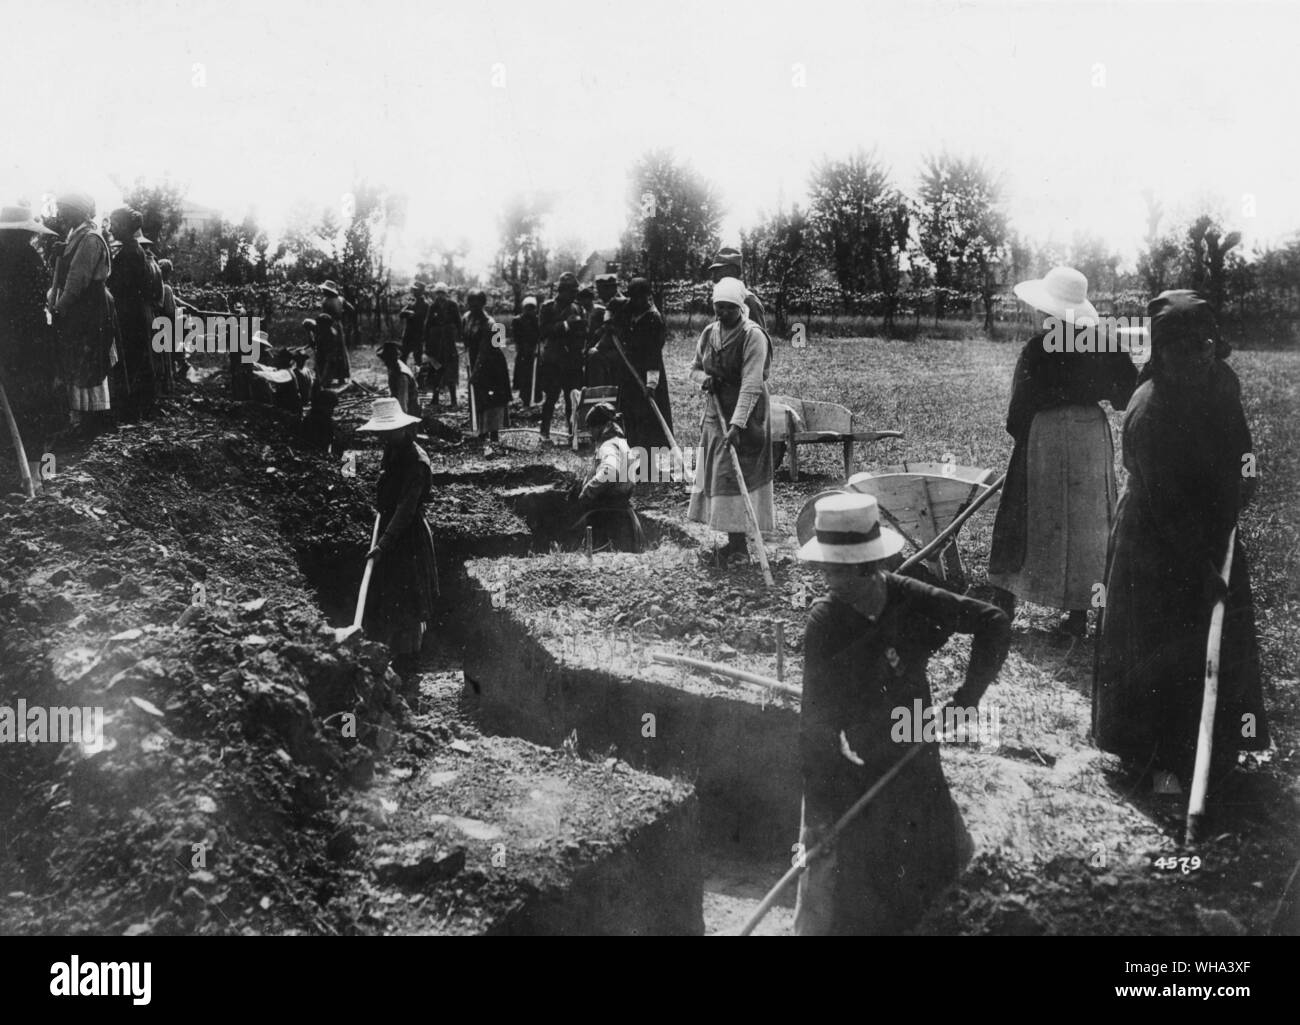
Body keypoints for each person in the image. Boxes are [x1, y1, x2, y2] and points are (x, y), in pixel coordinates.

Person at [795, 492, 1010, 935]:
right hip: (857, 768)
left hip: (916, 756)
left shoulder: (908, 596)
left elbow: (992, 622)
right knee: (834, 891)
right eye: (826, 567)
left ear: (866, 565)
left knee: (940, 875)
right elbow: (815, 727)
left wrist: (966, 700)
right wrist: (819, 812)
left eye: (837, 569)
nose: (828, 579)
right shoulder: (825, 626)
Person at [1093, 290, 1269, 798]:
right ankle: (1155, 755)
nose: (1197, 355)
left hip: (1213, 526)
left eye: (1205, 344)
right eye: (1184, 348)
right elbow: (1167, 506)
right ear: (1162, 352)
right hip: (1155, 543)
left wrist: (1244, 481)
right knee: (1161, 641)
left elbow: (1243, 450)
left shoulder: (1221, 384)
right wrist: (1203, 569)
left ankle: (1221, 746)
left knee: (1219, 636)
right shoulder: (1150, 412)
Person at [986, 267, 1136, 635]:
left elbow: (1019, 407)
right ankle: (1080, 615)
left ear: (1049, 310)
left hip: (1047, 433)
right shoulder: (1104, 344)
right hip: (1090, 436)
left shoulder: (1038, 348)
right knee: (1088, 522)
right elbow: (1127, 394)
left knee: (1031, 510)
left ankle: (1006, 599)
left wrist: (1025, 437)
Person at [687, 277, 776, 566]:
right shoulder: (709, 333)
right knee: (721, 473)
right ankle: (732, 542)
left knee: (739, 473)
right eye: (717, 307)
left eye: (728, 308)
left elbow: (752, 383)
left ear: (740, 307)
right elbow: (694, 369)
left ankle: (741, 547)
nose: (721, 313)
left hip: (747, 413)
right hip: (716, 411)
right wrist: (705, 381)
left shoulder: (753, 336)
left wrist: (738, 425)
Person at [356, 397, 440, 697]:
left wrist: (384, 543)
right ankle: (394, 662)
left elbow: (407, 508)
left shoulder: (418, 462)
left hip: (409, 537)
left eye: (386, 432)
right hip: (391, 533)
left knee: (411, 603)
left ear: (403, 429)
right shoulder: (391, 449)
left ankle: (410, 670)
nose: (382, 437)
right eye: (380, 433)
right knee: (393, 599)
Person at [0, 205, 57, 491]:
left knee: (18, 407)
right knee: (37, 407)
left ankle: (28, 474)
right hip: (32, 343)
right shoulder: (33, 258)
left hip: (11, 344)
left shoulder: (11, 258)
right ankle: (40, 473)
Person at [49, 194, 117, 431]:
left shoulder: (90, 239)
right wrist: (63, 250)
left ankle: (92, 419)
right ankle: (82, 418)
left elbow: (77, 280)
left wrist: (59, 308)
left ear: (78, 212)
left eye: (64, 210)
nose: (60, 215)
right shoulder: (78, 236)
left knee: (88, 358)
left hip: (88, 308)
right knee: (79, 358)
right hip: (82, 306)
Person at [603, 277, 672, 457]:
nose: (636, 301)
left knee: (648, 419)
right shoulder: (628, 306)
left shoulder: (654, 319)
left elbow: (653, 354)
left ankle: (649, 464)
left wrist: (651, 384)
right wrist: (608, 321)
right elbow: (611, 306)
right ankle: (633, 457)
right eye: (633, 297)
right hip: (628, 372)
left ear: (647, 297)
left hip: (647, 373)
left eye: (640, 298)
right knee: (629, 415)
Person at [572, 402, 644, 552]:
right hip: (625, 513)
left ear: (599, 427)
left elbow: (610, 471)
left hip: (609, 515)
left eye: (591, 428)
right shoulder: (622, 443)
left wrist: (588, 491)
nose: (591, 434)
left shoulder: (608, 447)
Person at [538, 271, 586, 442]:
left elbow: (582, 333)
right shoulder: (548, 307)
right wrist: (565, 325)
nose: (574, 294)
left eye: (575, 291)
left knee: (572, 398)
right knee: (551, 397)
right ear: (562, 290)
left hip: (572, 360)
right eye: (571, 291)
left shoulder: (578, 308)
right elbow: (543, 332)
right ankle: (544, 432)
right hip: (554, 360)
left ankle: (573, 432)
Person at [464, 290, 509, 443]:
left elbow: (491, 348)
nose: (473, 307)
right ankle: (481, 433)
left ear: (483, 305)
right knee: (479, 397)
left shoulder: (491, 323)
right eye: (471, 304)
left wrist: (475, 374)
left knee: (492, 400)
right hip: (476, 359)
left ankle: (494, 435)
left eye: (477, 305)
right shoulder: (467, 318)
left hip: (493, 365)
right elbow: (466, 342)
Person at [707, 247, 766, 330]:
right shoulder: (721, 300)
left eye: (718, 271)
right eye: (714, 272)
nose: (714, 277)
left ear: (733, 271)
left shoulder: (749, 301)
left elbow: (760, 337)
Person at [424, 282, 461, 408]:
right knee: (435, 370)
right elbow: (427, 325)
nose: (440, 296)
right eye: (438, 293)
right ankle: (435, 398)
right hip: (435, 342)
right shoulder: (432, 307)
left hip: (449, 342)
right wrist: (427, 343)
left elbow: (459, 322)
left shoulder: (453, 305)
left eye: (442, 293)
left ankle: (454, 400)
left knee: (450, 370)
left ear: (446, 294)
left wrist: (461, 337)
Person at [584, 274, 621, 388]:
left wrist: (597, 347)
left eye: (600, 290)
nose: (598, 294)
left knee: (595, 358)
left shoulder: (619, 303)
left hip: (621, 349)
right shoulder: (610, 303)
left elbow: (613, 331)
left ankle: (598, 397)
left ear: (611, 288)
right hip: (612, 346)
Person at [156, 258, 185, 385]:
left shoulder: (158, 286)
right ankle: (181, 360)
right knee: (181, 324)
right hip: (165, 325)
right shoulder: (165, 288)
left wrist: (187, 306)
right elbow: (171, 312)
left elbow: (175, 299)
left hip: (158, 322)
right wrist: (182, 311)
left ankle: (180, 360)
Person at [511, 295, 541, 404]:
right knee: (523, 375)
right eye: (527, 308)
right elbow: (517, 337)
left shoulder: (537, 320)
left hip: (534, 350)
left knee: (535, 375)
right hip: (523, 350)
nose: (530, 310)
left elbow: (539, 335)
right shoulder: (518, 320)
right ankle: (524, 398)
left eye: (532, 308)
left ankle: (535, 398)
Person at [377, 340, 419, 417]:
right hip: (398, 404)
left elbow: (403, 401)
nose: (384, 362)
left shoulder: (402, 376)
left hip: (410, 409)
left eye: (386, 359)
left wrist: (402, 420)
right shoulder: (393, 366)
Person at [319, 280, 351, 381]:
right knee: (340, 350)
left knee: (330, 351)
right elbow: (351, 309)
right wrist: (342, 315)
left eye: (324, 290)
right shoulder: (341, 299)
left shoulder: (325, 301)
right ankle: (341, 376)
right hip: (339, 325)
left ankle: (328, 377)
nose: (323, 291)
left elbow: (324, 316)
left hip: (328, 326)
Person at [399, 281, 429, 370]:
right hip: (408, 332)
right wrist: (409, 312)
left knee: (417, 358)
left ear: (421, 291)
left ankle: (418, 379)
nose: (414, 292)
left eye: (417, 290)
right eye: (414, 290)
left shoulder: (425, 304)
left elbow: (417, 316)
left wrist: (409, 313)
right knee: (403, 355)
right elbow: (401, 314)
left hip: (418, 333)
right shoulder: (412, 302)